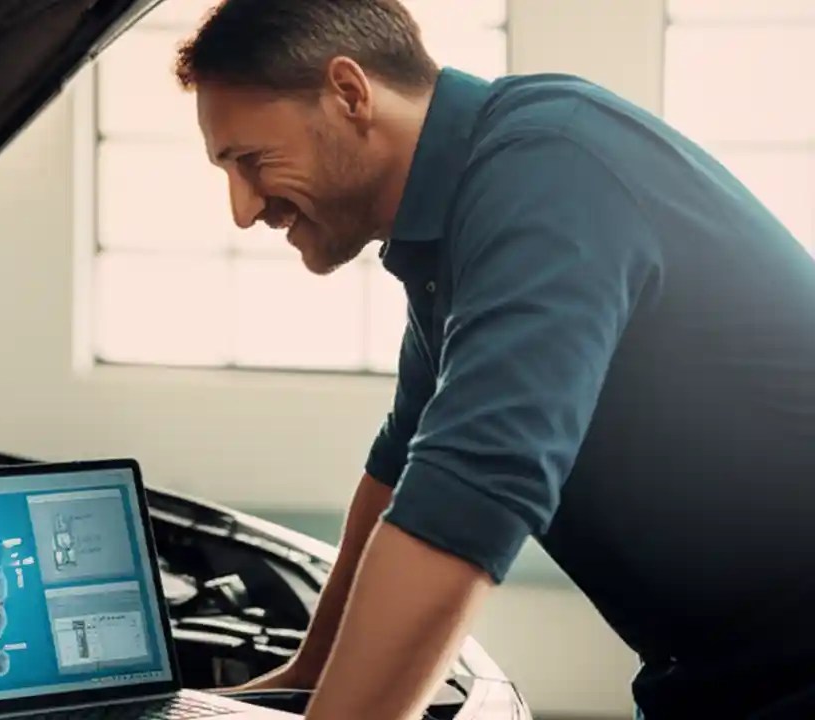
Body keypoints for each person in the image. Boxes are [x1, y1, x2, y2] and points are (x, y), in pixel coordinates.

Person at [171, 1, 815, 718]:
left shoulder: (549, 169)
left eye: (252, 161)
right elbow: (404, 466)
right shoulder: (456, 217)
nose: (242, 209)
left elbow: (472, 488)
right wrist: (307, 676)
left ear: (349, 93)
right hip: (713, 679)